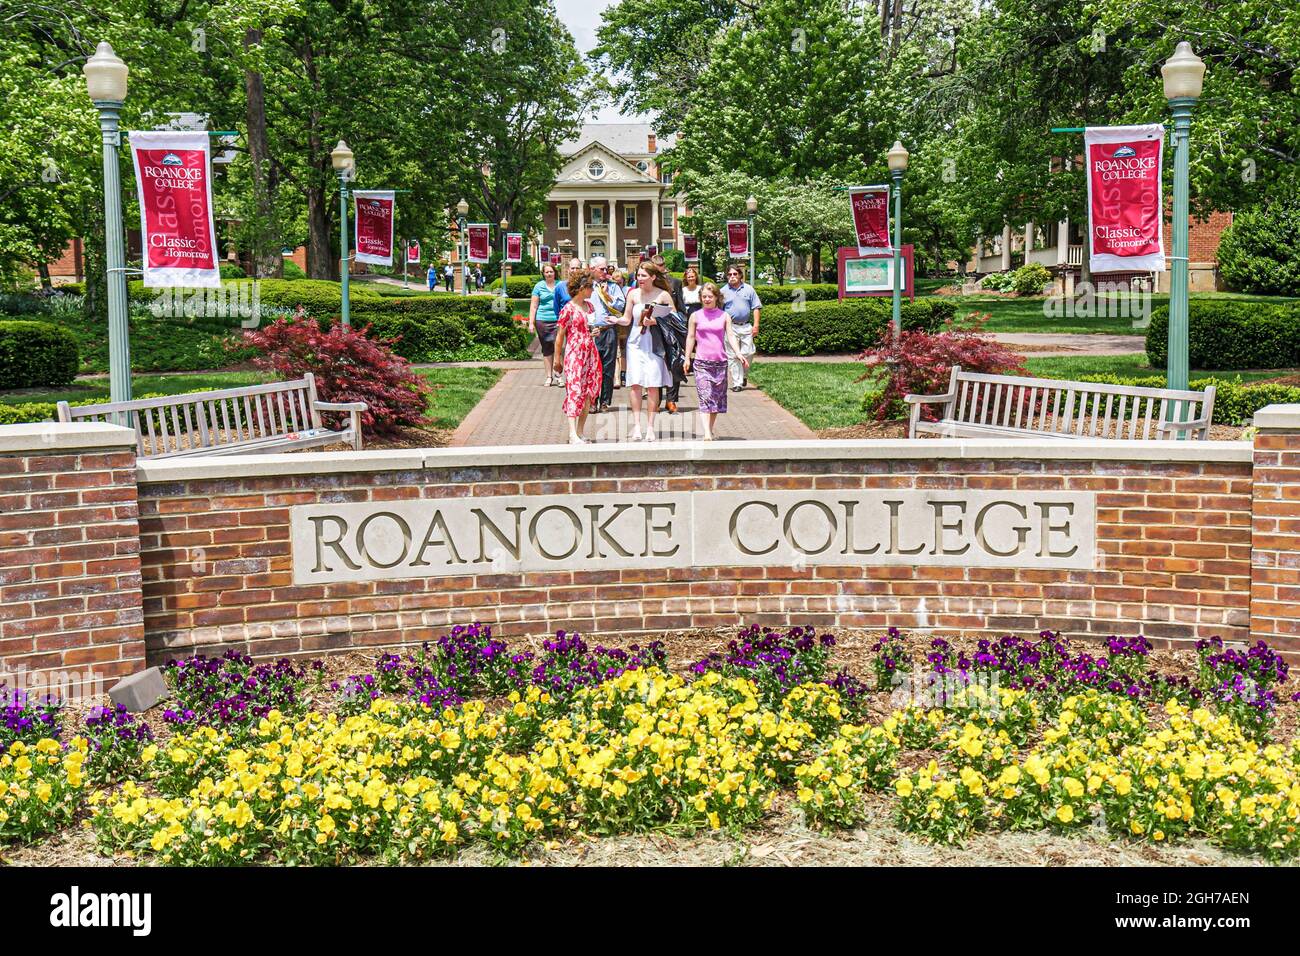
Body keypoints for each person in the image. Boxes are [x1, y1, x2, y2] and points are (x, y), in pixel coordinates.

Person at [618, 260, 674, 441]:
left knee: (652, 384)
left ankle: (650, 426)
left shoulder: (663, 295)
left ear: (653, 277)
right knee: (635, 384)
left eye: (643, 276)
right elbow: (627, 319)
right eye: (638, 276)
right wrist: (613, 320)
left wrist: (656, 321)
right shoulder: (633, 294)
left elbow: (676, 318)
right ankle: (636, 426)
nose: (639, 279)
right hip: (635, 343)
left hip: (655, 344)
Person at [683, 282, 747, 440]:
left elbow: (730, 335)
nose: (706, 299)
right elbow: (690, 337)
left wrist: (738, 353)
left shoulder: (724, 316)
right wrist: (687, 357)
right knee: (705, 395)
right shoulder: (695, 316)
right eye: (703, 296)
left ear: (717, 297)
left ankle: (709, 430)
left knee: (716, 400)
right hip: (701, 362)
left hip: (720, 362)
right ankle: (706, 433)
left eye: (709, 297)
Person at [553, 268, 602, 444]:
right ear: (582, 287)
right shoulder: (568, 309)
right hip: (575, 354)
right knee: (575, 391)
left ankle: (580, 432)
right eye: (590, 287)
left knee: (588, 393)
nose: (593, 290)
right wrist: (557, 360)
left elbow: (592, 327)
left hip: (591, 353)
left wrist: (595, 331)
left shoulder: (590, 306)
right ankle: (572, 433)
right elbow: (560, 336)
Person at [586, 256, 625, 413]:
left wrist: (609, 296)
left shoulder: (613, 287)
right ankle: (592, 401)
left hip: (609, 330)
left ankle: (605, 401)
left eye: (606, 269)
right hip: (592, 331)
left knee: (608, 368)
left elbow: (621, 305)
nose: (605, 272)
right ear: (592, 269)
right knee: (593, 367)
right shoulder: (587, 286)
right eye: (602, 269)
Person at [653, 254, 687, 413]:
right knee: (657, 365)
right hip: (654, 330)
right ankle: (657, 401)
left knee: (674, 364)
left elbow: (680, 307)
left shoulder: (675, 282)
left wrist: (681, 324)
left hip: (672, 328)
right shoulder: (648, 284)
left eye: (659, 267)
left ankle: (671, 400)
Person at [721, 264, 761, 391]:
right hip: (730, 327)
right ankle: (737, 383)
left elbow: (756, 307)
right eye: (730, 274)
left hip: (746, 326)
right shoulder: (723, 292)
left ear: (740, 275)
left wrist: (756, 325)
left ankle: (744, 375)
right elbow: (719, 311)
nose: (732, 276)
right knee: (732, 355)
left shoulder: (749, 289)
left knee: (748, 352)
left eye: (735, 274)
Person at [529, 262, 564, 386]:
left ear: (555, 272)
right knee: (547, 349)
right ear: (543, 274)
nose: (549, 274)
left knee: (558, 348)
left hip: (558, 320)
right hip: (542, 320)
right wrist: (531, 323)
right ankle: (549, 376)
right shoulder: (539, 286)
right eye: (547, 272)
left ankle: (559, 375)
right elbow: (534, 306)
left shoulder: (561, 285)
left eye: (551, 271)